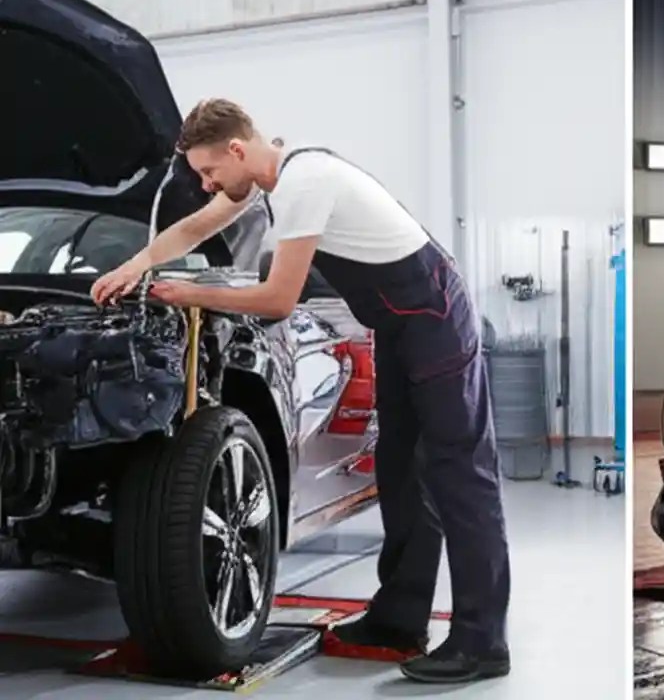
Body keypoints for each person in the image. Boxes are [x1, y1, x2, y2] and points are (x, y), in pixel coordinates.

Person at [90, 99, 511, 684]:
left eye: (209, 172)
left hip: (435, 314)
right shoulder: (269, 183)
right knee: (400, 469)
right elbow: (194, 227)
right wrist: (134, 267)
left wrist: (188, 294)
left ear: (237, 149)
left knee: (459, 472)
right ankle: (398, 618)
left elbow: (277, 299)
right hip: (398, 324)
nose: (207, 184)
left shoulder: (303, 183)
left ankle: (483, 641)